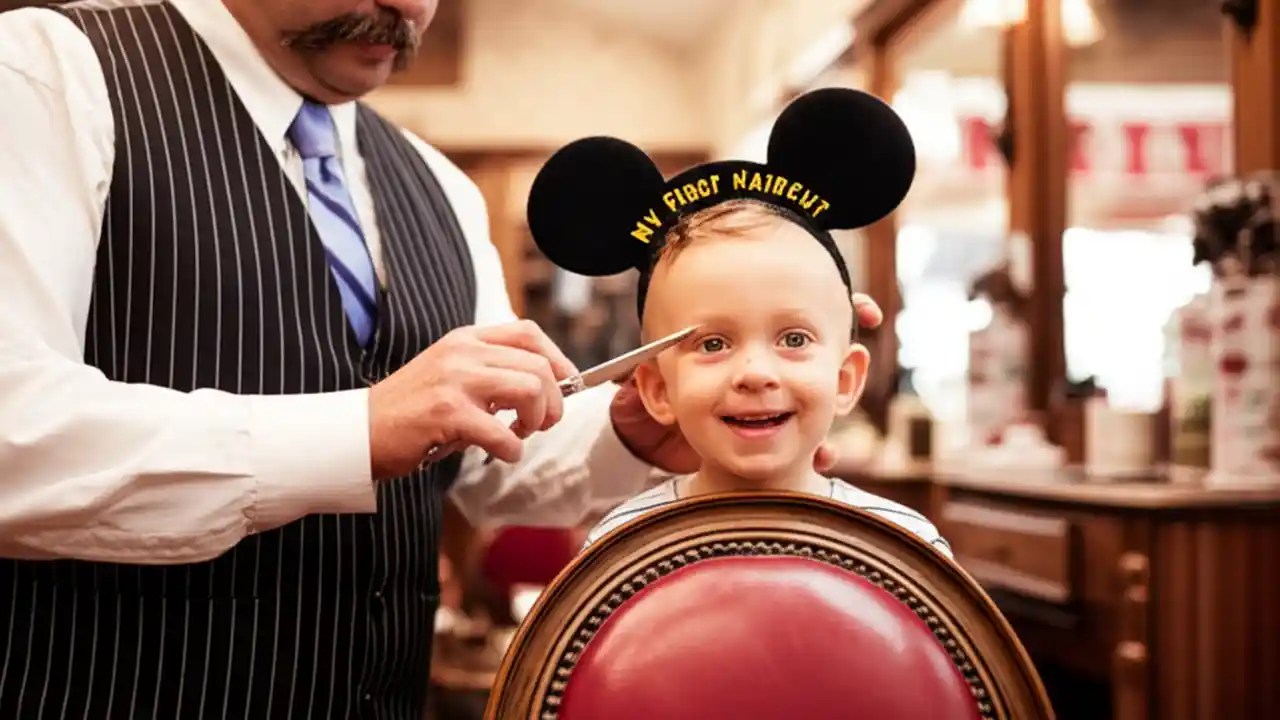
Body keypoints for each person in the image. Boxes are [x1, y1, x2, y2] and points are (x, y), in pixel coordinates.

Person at [0, 2, 884, 718]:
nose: (406, 8)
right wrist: (360, 429)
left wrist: (632, 427)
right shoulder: (52, 74)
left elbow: (482, 459)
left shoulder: (438, 187)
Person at [524, 87, 951, 556]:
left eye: (793, 338)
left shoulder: (906, 549)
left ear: (846, 379)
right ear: (658, 390)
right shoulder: (622, 549)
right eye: (712, 344)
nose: (755, 374)